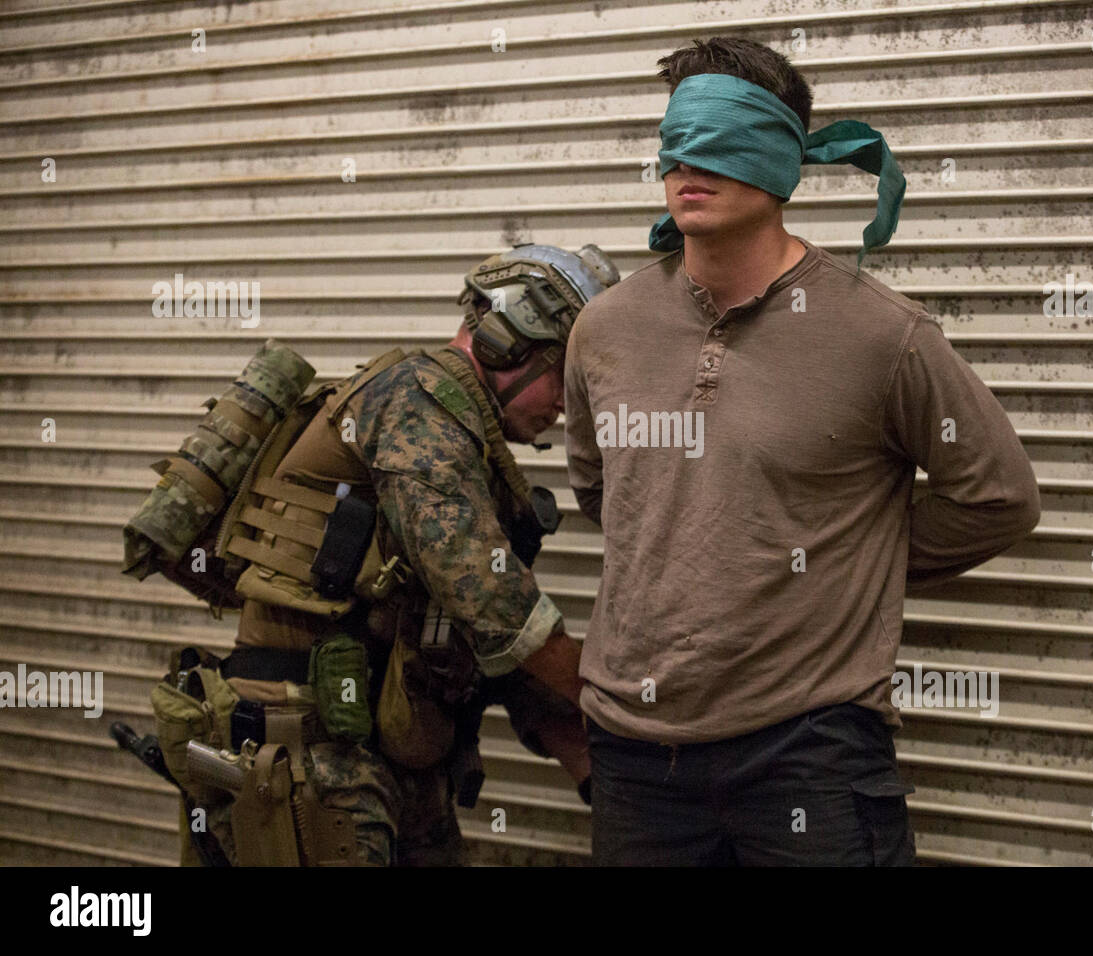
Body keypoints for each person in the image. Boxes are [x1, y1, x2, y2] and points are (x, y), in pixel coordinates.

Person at [564, 37, 1040, 866]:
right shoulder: (605, 327)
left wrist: (843, 566)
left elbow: (997, 496)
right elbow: (608, 495)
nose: (688, 165)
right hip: (634, 751)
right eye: (676, 141)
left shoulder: (881, 334)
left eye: (719, 139)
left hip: (807, 751)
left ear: (782, 158)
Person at [187, 242, 618, 866]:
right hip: (309, 739)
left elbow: (492, 645)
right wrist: (613, 701)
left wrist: (587, 756)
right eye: (564, 378)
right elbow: (487, 597)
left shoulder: (469, 440)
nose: (567, 406)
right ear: (507, 345)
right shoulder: (418, 401)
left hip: (387, 737)